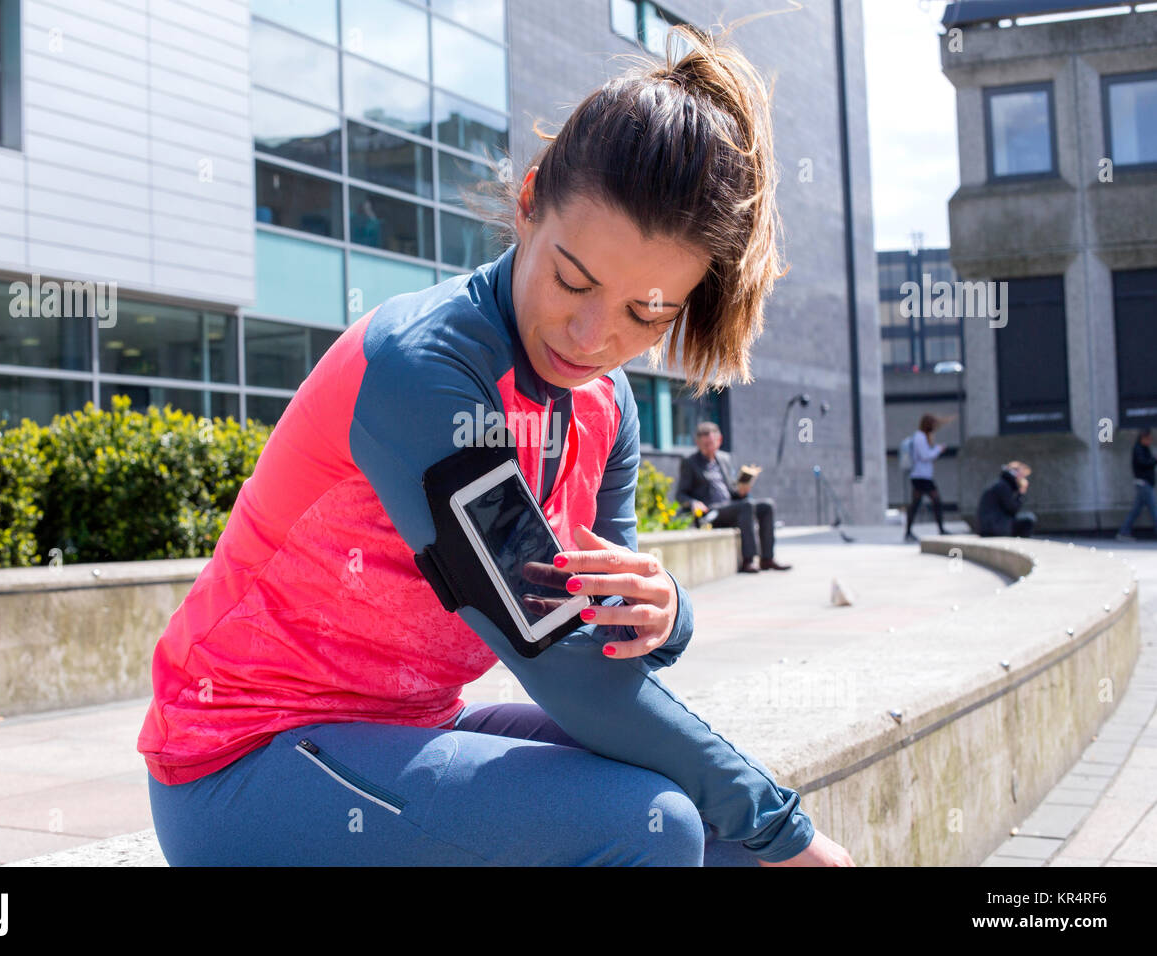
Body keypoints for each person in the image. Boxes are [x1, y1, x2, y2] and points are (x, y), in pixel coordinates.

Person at [138, 23, 852, 867]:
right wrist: (792, 831)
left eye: (646, 313)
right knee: (649, 820)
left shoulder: (605, 405)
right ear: (529, 200)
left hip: (401, 734)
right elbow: (559, 661)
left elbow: (607, 635)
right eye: (573, 280)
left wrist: (668, 613)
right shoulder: (424, 374)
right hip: (242, 765)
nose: (591, 336)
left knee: (720, 834)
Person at [675, 421, 791, 572]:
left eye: (711, 443)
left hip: (732, 506)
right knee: (747, 505)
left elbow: (732, 490)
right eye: (704, 445)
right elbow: (680, 494)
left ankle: (767, 559)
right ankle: (748, 560)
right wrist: (693, 502)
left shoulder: (724, 459)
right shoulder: (690, 462)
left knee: (767, 505)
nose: (708, 448)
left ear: (719, 440)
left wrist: (741, 491)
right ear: (697, 443)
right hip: (711, 512)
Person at [904, 412, 954, 542]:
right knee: (934, 501)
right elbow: (925, 456)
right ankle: (940, 529)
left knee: (918, 504)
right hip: (921, 476)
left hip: (923, 476)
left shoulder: (923, 436)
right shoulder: (920, 437)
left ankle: (909, 532)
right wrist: (938, 450)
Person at [1116, 428, 1156, 541]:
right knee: (1153, 509)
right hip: (1143, 483)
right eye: (1148, 439)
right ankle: (1123, 532)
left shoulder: (1144, 448)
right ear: (1143, 438)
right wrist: (1154, 460)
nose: (1150, 441)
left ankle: (1123, 532)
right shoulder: (1138, 449)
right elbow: (1143, 463)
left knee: (1136, 510)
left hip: (1145, 483)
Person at [976, 461, 1035, 537]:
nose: (1023, 479)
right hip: (994, 527)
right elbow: (1013, 509)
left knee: (1026, 518)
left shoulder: (1002, 484)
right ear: (1015, 474)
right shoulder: (1003, 486)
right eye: (1022, 475)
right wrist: (1021, 493)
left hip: (991, 526)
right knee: (1028, 520)